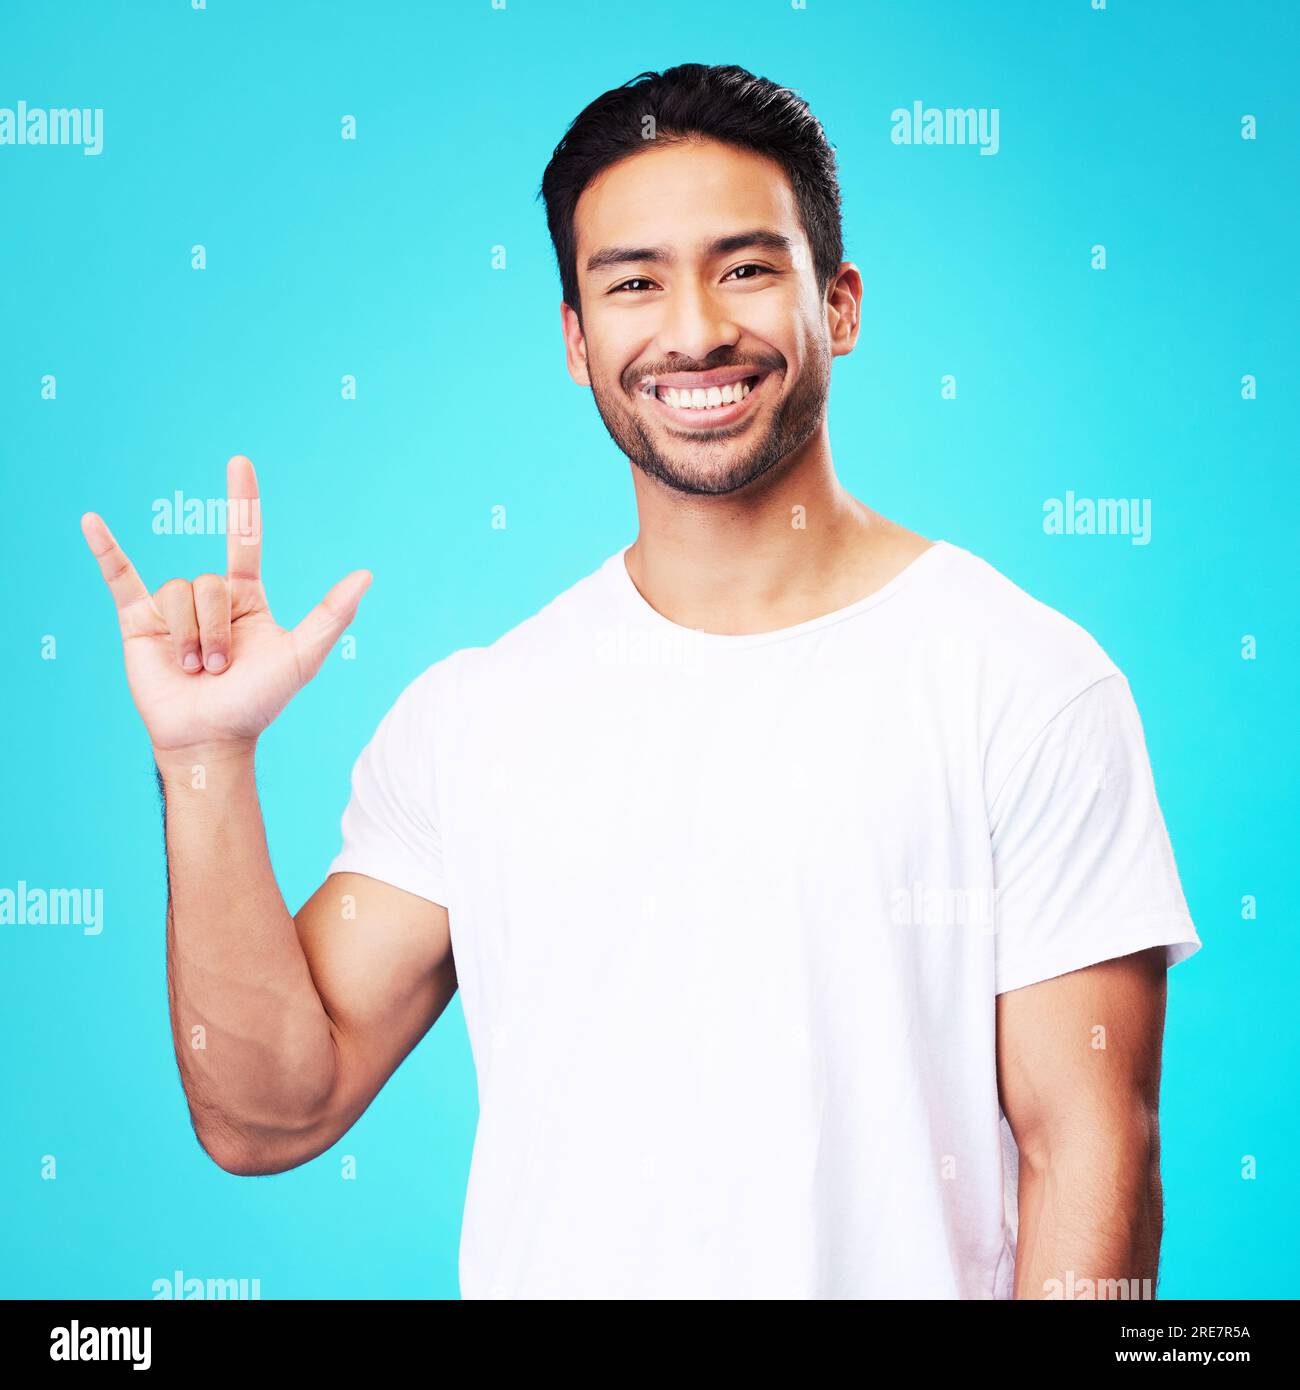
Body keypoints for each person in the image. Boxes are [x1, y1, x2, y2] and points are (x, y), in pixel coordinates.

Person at [82, 63, 1200, 1299]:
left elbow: (1092, 1146)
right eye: (632, 282)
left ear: (839, 303)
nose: (694, 329)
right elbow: (267, 1117)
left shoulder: (1026, 684)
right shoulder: (478, 716)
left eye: (747, 267)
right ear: (575, 338)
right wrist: (203, 760)